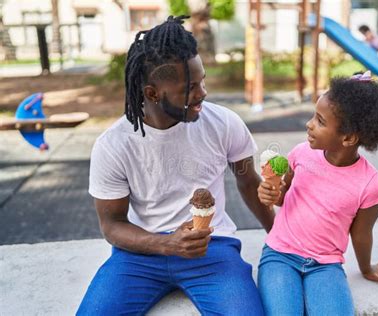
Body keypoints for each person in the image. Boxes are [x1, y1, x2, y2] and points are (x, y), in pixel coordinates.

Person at [77, 16, 272, 315]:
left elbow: (248, 182)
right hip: (139, 255)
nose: (203, 92)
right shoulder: (113, 145)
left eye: (202, 80)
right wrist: (166, 245)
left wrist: (282, 235)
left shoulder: (224, 123)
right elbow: (112, 225)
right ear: (152, 93)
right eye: (190, 87)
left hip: (212, 246)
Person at [257, 72, 378, 315]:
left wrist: (366, 268)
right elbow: (284, 197)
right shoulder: (301, 153)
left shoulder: (371, 185)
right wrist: (270, 194)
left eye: (320, 121)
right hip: (279, 256)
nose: (309, 124)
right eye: (314, 116)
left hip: (325, 266)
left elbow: (362, 234)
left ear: (348, 138)